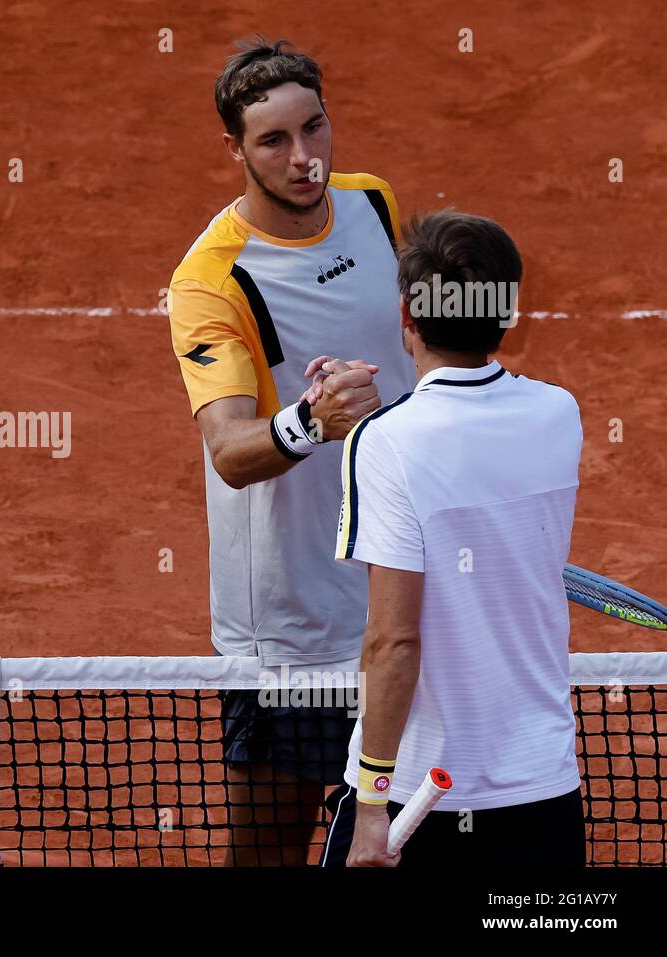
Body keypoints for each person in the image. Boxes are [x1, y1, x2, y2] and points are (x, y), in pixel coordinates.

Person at [167, 37, 417, 865]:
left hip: (399, 596)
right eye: (274, 141)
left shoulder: (373, 204)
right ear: (234, 149)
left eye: (314, 129)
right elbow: (230, 450)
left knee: (400, 834)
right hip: (294, 630)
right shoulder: (213, 279)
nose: (303, 158)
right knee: (269, 855)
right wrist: (311, 419)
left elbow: (415, 359)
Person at [321, 211, 584, 868]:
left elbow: (393, 640)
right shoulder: (561, 414)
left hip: (417, 798)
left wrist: (374, 805)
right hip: (543, 794)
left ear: (407, 316)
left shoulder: (383, 443)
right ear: (508, 312)